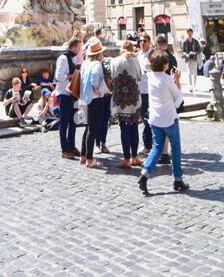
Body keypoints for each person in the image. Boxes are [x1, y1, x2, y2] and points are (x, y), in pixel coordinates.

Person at [138, 52, 188, 195]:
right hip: (169, 119)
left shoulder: (150, 77)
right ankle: (177, 179)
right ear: (165, 65)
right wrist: (177, 80)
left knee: (157, 148)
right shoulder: (166, 79)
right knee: (176, 148)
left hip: (155, 118)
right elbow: (178, 98)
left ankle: (144, 174)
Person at [110, 39, 143, 168]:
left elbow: (112, 77)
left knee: (124, 127)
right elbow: (139, 76)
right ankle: (135, 156)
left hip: (120, 98)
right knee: (134, 126)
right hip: (133, 97)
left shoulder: (114, 61)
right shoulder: (135, 60)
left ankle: (126, 158)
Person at [78, 37, 108, 168]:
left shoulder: (85, 63)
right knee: (93, 128)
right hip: (95, 98)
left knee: (88, 127)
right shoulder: (96, 64)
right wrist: (97, 89)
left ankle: (83, 155)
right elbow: (95, 79)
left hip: (85, 98)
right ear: (98, 53)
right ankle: (89, 159)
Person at [53, 38, 82, 160]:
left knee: (73, 121)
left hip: (72, 94)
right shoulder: (63, 58)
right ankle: (64, 149)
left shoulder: (73, 58)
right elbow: (58, 77)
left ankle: (71, 146)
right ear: (73, 47)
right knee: (64, 122)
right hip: (64, 93)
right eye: (79, 48)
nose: (80, 50)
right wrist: (73, 75)